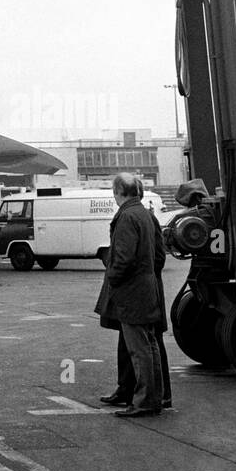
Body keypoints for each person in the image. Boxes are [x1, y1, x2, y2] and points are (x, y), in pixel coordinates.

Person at [95, 172, 164, 417]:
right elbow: (158, 256)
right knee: (150, 346)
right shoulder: (145, 214)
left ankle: (143, 401)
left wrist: (113, 279)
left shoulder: (126, 217)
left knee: (139, 349)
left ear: (118, 192)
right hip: (147, 288)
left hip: (131, 292)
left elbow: (123, 258)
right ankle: (153, 398)